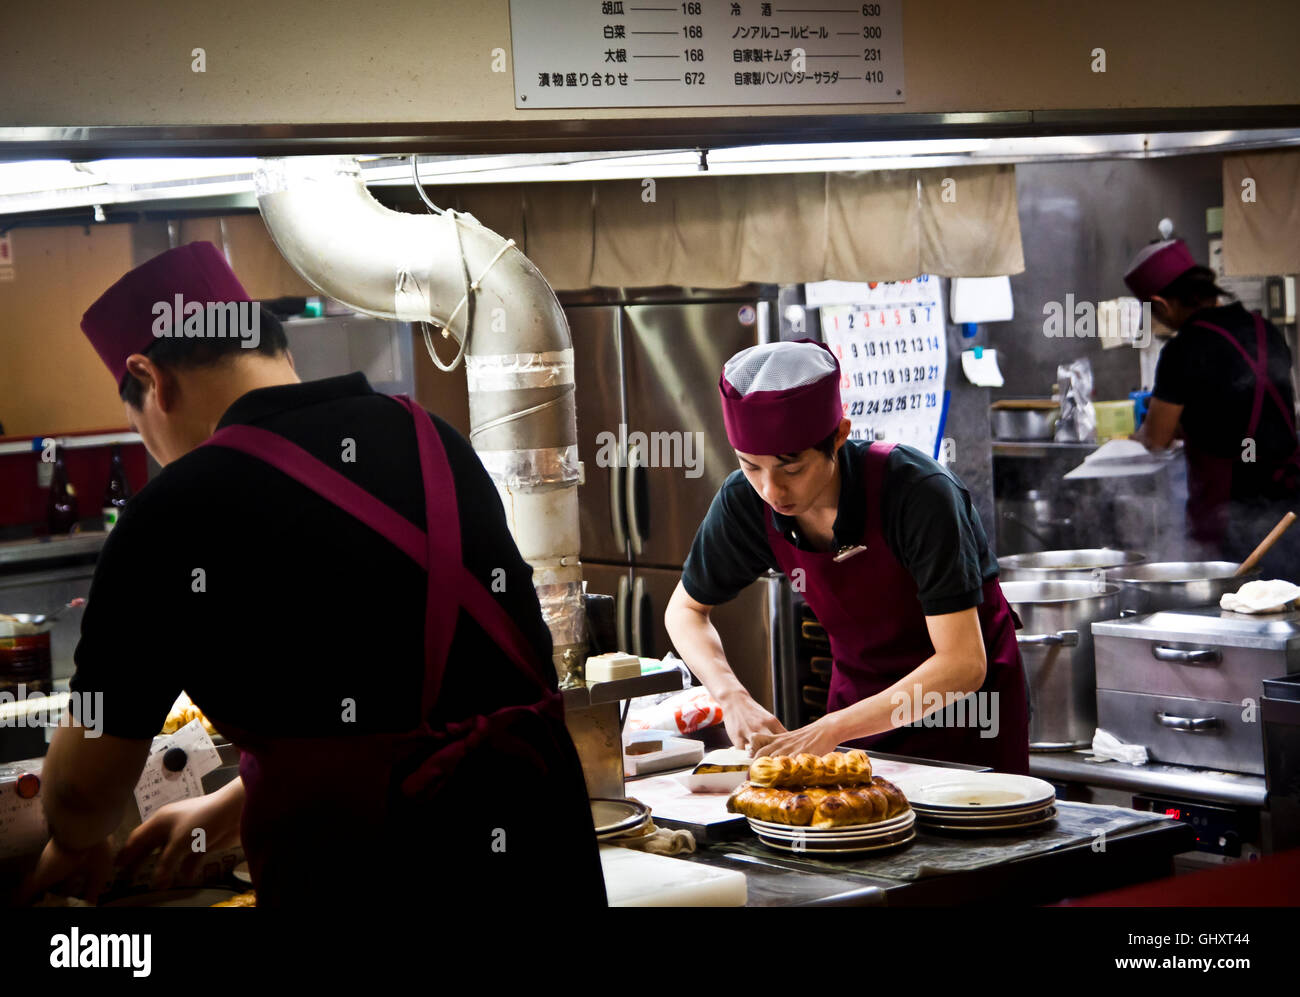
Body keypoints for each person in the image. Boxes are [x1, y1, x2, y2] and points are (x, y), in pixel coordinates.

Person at [21, 241, 606, 907]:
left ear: (150, 378)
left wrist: (74, 839)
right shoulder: (435, 440)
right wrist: (228, 804)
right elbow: (415, 706)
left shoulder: (176, 508)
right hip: (541, 860)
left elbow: (80, 792)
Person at [665, 339, 1030, 773]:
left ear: (839, 435)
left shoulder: (917, 493)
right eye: (750, 466)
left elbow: (963, 663)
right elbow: (684, 610)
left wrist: (830, 729)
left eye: (791, 468)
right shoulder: (746, 502)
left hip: (966, 721)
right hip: (858, 719)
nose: (771, 490)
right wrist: (733, 698)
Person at [1125, 239, 1300, 580]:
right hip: (1289, 508)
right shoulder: (1267, 330)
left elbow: (1157, 438)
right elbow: (1237, 403)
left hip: (1229, 515)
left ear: (1161, 303)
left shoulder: (1183, 349)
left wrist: (1139, 434)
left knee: (1236, 610)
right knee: (1288, 609)